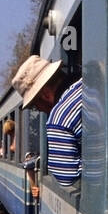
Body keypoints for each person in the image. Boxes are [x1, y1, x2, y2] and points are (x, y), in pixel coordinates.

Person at [11, 55, 82, 191]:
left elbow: (66, 177)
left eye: (34, 105)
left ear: (45, 94)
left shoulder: (58, 120)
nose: (39, 110)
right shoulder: (88, 84)